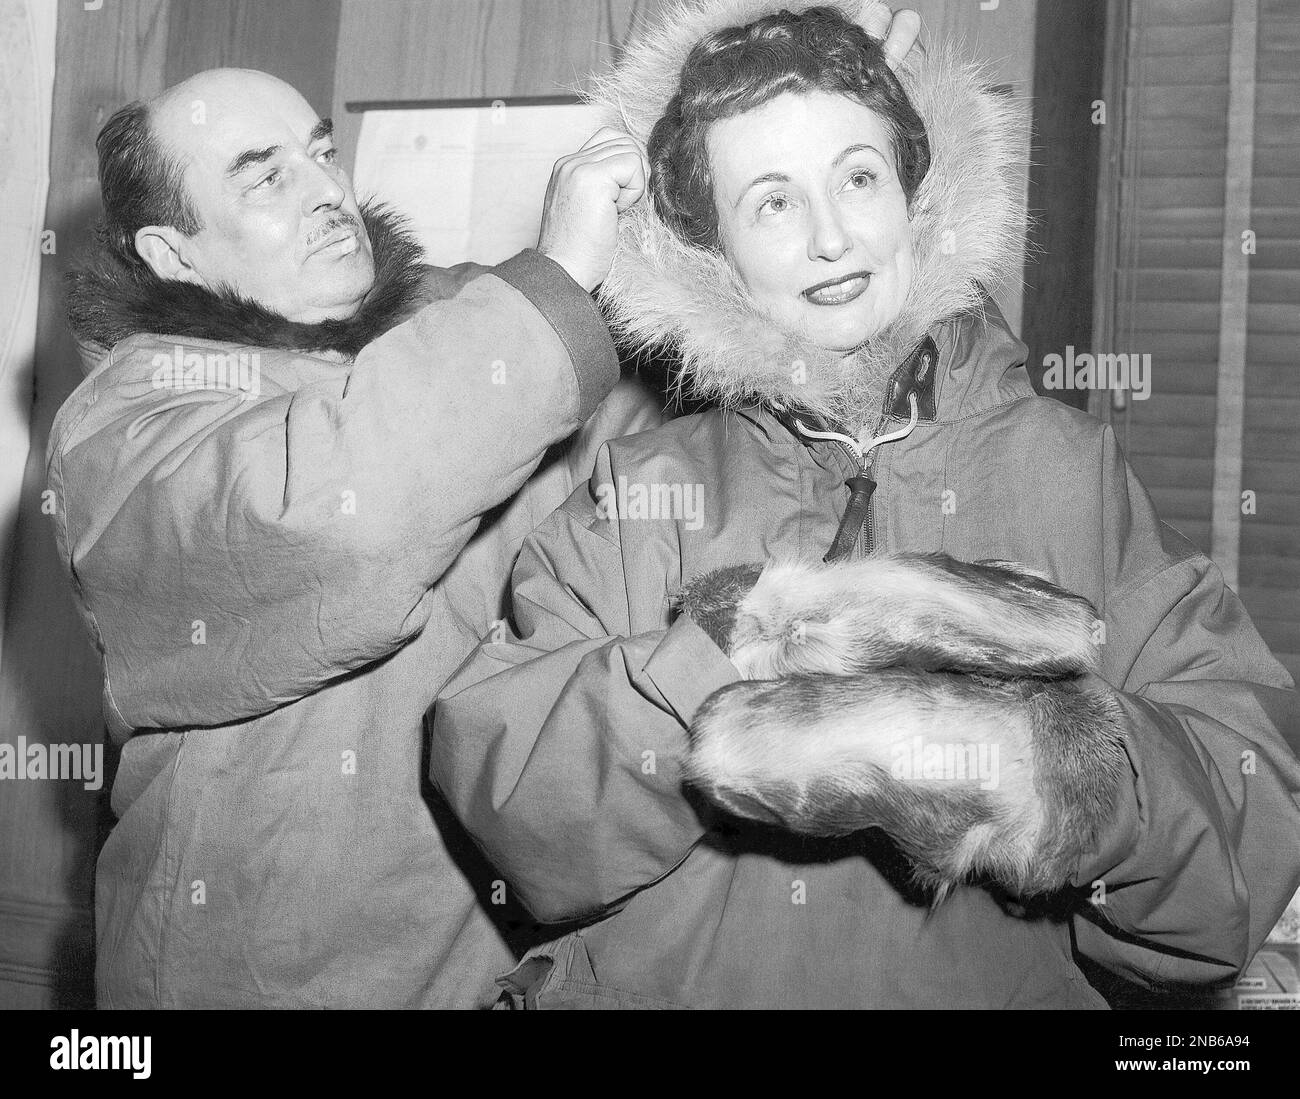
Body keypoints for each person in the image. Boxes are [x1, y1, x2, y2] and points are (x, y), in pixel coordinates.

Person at [430, 0, 1300, 1008]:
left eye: (856, 177)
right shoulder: (639, 489)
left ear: (916, 193)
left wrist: (1068, 778)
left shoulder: (1066, 467)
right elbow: (519, 813)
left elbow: (1242, 849)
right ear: (710, 251)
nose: (832, 236)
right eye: (771, 202)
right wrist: (734, 655)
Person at [50, 66, 658, 1008]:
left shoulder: (460, 326)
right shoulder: (127, 425)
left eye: (322, 153)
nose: (328, 191)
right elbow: (335, 519)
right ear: (174, 254)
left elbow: (672, 412)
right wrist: (556, 274)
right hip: (252, 978)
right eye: (266, 176)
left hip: (490, 969)